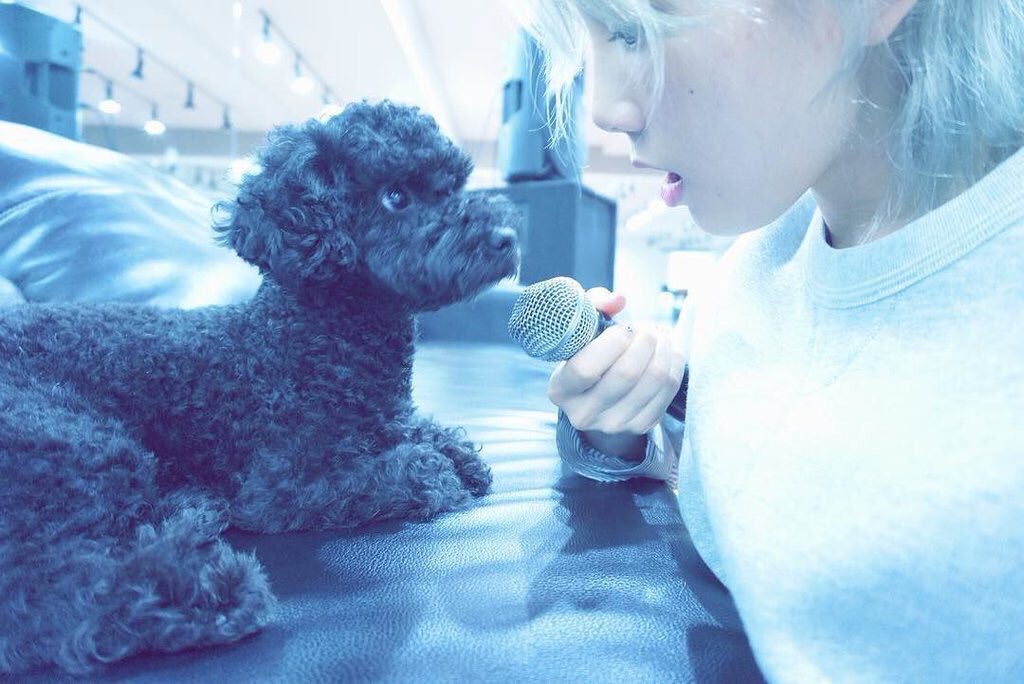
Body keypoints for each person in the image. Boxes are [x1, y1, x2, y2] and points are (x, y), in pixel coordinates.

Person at [514, 0, 1024, 681]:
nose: (603, 109)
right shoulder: (746, 270)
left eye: (637, 31)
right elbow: (704, 464)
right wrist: (617, 427)